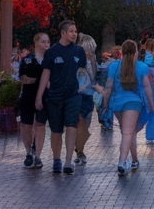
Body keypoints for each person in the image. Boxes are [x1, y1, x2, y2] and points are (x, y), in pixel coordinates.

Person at [36, 20, 89, 175]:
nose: (74, 34)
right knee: (56, 130)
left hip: (73, 95)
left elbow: (83, 72)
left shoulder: (79, 51)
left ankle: (68, 161)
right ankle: (56, 160)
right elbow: (45, 75)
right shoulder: (52, 52)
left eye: (75, 31)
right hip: (55, 96)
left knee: (72, 125)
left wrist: (83, 86)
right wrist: (39, 97)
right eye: (71, 31)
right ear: (63, 33)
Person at [101, 40, 154, 176]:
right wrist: (152, 106)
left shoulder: (113, 66)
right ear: (136, 52)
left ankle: (134, 159)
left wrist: (105, 105)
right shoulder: (142, 67)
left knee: (127, 132)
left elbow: (108, 87)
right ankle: (122, 162)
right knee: (128, 132)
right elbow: (147, 87)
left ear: (122, 53)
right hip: (134, 102)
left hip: (117, 103)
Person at [18, 33, 49, 169]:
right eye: (43, 42)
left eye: (48, 42)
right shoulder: (26, 60)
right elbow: (24, 79)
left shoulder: (50, 59)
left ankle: (38, 155)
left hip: (45, 96)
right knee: (26, 124)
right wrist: (39, 80)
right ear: (36, 42)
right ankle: (28, 151)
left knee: (40, 124)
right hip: (28, 95)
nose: (46, 45)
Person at [74, 34, 102, 166]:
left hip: (89, 95)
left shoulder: (93, 59)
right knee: (80, 124)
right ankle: (79, 151)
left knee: (86, 124)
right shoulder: (77, 59)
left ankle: (79, 148)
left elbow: (94, 77)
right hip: (78, 94)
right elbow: (90, 78)